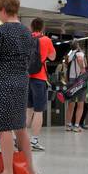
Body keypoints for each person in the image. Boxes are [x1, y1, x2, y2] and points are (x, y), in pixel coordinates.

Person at [0, 0, 42, 174]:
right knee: (20, 127)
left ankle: (8, 173)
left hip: (1, 82)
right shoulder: (27, 32)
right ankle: (30, 171)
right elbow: (31, 61)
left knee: (4, 128)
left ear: (3, 10)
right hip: (21, 82)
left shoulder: (0, 31)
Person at [26, 18, 57, 151]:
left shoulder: (26, 39)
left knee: (28, 110)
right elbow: (53, 57)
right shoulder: (46, 40)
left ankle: (19, 138)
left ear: (31, 27)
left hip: (27, 78)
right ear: (43, 28)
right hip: (40, 78)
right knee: (38, 111)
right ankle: (34, 140)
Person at [62, 41, 87, 131]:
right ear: (78, 46)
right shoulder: (79, 53)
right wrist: (83, 69)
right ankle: (76, 126)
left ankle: (68, 125)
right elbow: (80, 59)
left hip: (71, 81)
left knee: (71, 104)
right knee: (80, 103)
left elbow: (65, 66)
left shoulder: (70, 55)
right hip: (79, 80)